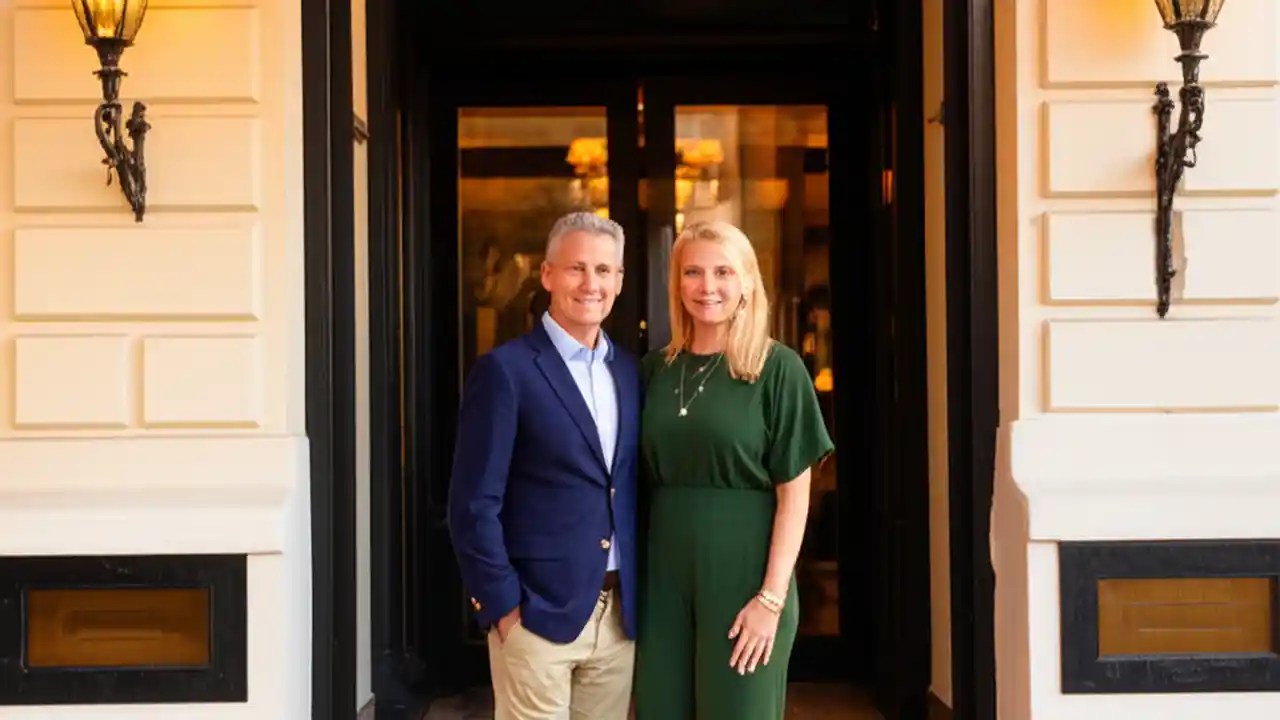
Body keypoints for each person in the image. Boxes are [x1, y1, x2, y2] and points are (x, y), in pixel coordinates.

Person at [634, 221, 834, 719]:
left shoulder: (778, 369)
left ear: (747, 281)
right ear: (677, 284)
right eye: (693, 272)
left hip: (746, 578)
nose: (708, 286)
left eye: (723, 272)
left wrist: (770, 599)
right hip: (663, 582)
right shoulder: (655, 370)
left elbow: (795, 496)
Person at [448, 212, 641, 720]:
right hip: (535, 616)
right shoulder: (506, 372)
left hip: (617, 620)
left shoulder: (630, 373)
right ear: (548, 274)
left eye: (604, 270)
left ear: (619, 281)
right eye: (577, 268)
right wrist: (503, 608)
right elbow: (472, 504)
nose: (590, 283)